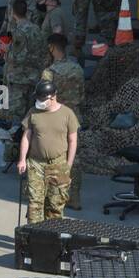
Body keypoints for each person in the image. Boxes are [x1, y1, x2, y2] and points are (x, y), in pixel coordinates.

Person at [17, 80, 79, 223]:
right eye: (37, 98)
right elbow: (26, 136)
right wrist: (21, 159)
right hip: (36, 163)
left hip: (58, 164)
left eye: (42, 98)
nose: (39, 101)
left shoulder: (67, 114)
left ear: (52, 97)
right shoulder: (33, 112)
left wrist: (68, 165)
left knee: (55, 205)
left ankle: (51, 238)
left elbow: (72, 141)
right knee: (35, 204)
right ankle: (34, 237)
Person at [40, 33, 85, 210]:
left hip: (56, 119)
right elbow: (81, 96)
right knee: (75, 158)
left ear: (51, 48)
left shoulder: (49, 73)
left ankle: (55, 197)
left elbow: (44, 101)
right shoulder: (77, 69)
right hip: (74, 117)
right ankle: (74, 197)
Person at [2, 0, 48, 121]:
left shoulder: (18, 32)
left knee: (16, 115)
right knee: (31, 114)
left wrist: (7, 51)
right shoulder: (36, 29)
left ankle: (15, 138)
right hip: (34, 76)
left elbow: (18, 58)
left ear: (12, 13)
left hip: (19, 78)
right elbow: (44, 52)